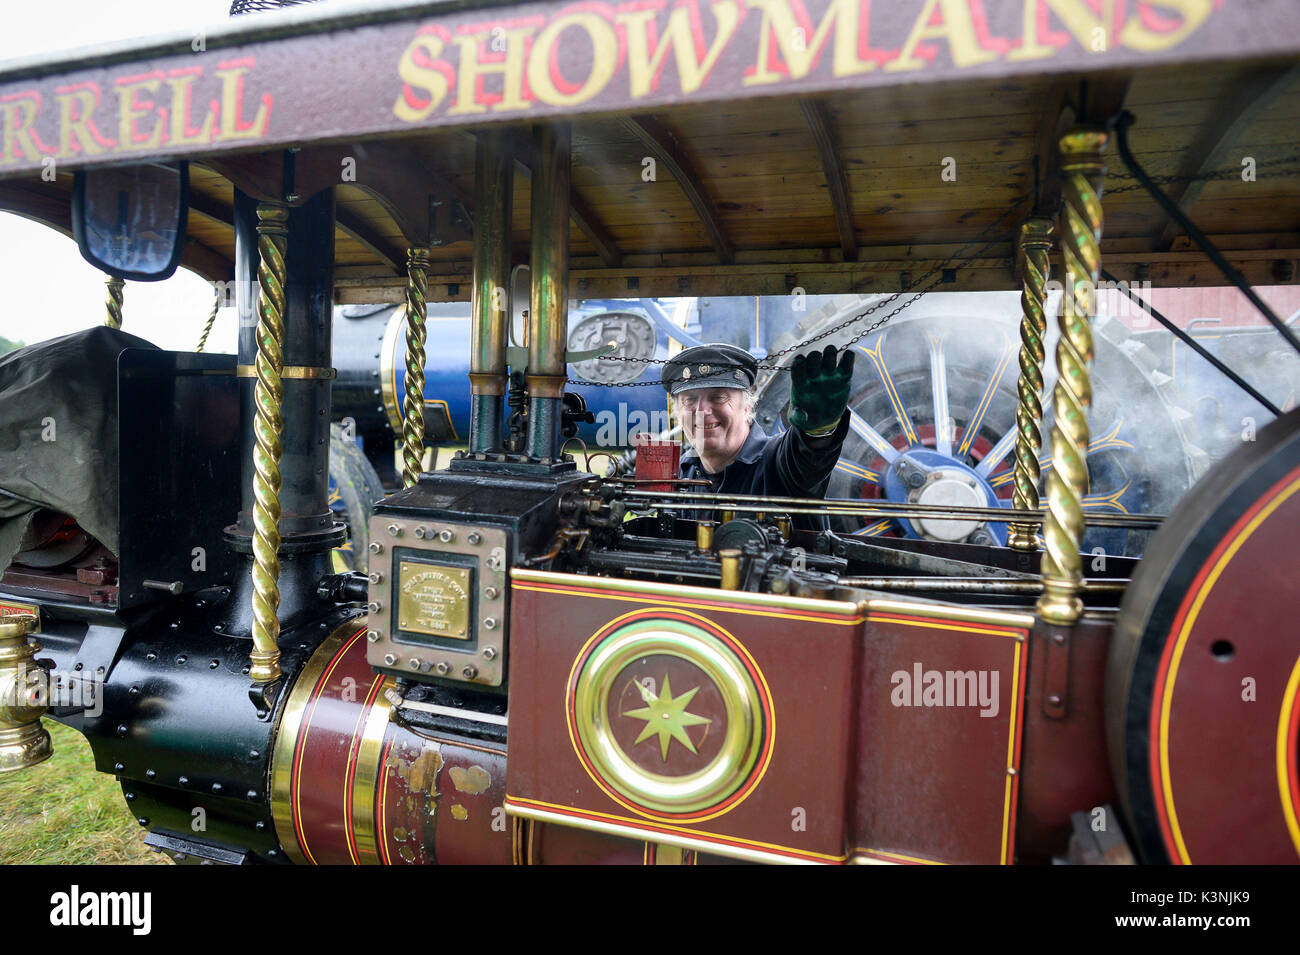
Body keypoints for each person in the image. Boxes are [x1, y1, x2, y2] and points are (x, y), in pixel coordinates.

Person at [661, 342, 854, 532]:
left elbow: (808, 455)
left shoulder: (781, 462)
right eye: (689, 400)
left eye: (718, 397)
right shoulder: (677, 476)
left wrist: (819, 427)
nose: (702, 410)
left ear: (747, 407)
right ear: (678, 413)